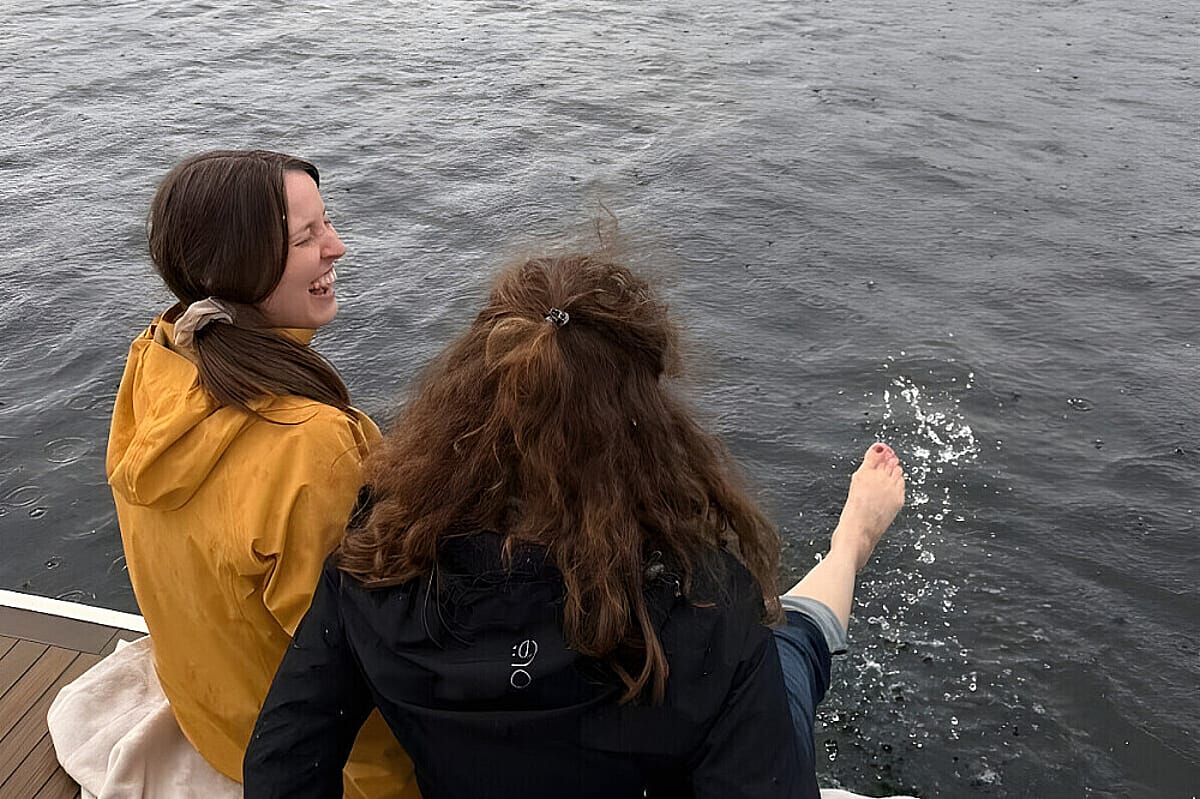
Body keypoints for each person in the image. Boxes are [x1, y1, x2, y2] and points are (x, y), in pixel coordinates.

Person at [242, 253, 906, 798]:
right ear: (646, 418)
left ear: (463, 396)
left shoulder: (379, 561)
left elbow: (281, 765)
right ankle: (851, 541)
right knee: (789, 642)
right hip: (712, 673)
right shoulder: (706, 610)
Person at [50, 150, 418, 799]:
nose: (338, 246)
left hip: (213, 715)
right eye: (308, 237)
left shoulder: (156, 358)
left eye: (325, 224)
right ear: (241, 262)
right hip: (323, 764)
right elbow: (365, 649)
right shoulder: (311, 443)